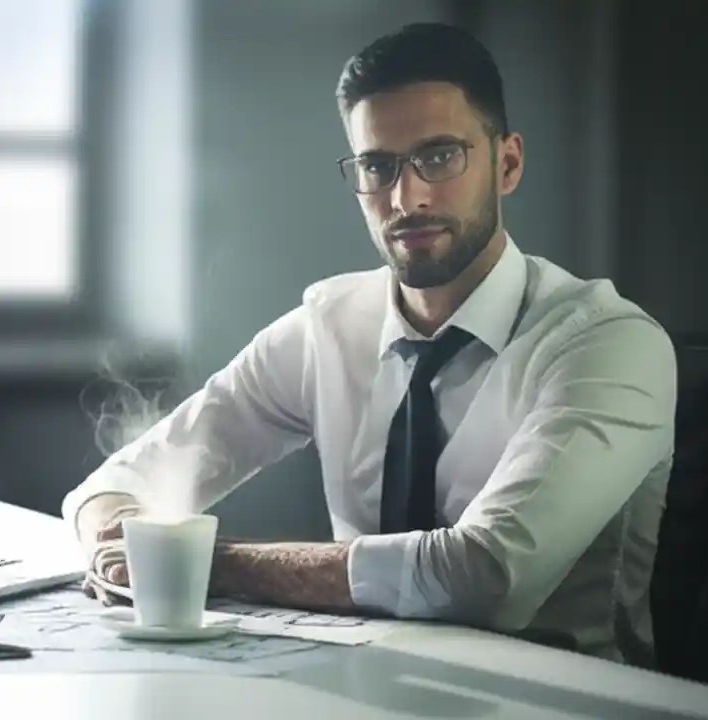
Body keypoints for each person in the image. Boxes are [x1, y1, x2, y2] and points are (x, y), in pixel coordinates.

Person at [62, 22, 675, 667]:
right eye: (378, 167)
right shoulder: (330, 325)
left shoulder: (607, 345)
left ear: (508, 163)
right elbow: (120, 482)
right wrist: (116, 542)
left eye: (440, 157)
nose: (406, 199)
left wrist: (209, 565)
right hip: (359, 684)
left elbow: (484, 577)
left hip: (564, 701)